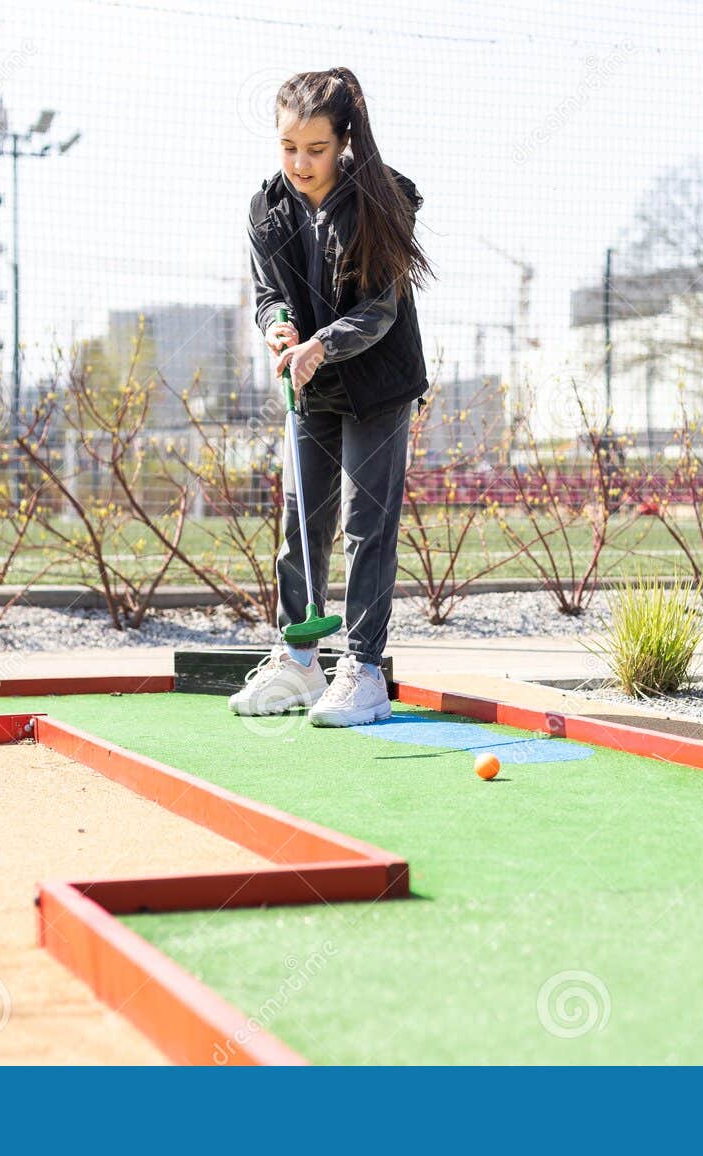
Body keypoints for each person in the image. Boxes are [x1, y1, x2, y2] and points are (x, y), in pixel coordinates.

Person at [229, 67, 435, 727]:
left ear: (343, 141)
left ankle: (364, 670)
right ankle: (298, 661)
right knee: (299, 522)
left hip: (376, 385)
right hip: (308, 383)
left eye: (315, 149)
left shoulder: (382, 200)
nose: (300, 162)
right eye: (289, 147)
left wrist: (322, 344)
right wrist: (278, 326)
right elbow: (266, 295)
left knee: (364, 526)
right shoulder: (268, 207)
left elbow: (379, 310)